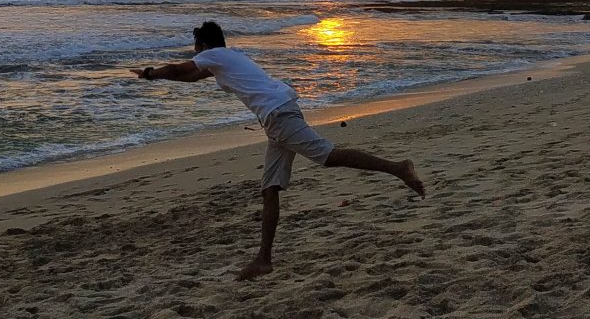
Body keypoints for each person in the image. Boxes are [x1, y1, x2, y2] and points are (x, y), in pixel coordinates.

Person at [134, 20, 424, 280]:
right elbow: (190, 77)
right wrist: (159, 76)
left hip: (278, 116)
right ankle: (264, 260)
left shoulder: (213, 56)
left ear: (203, 45)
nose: (195, 55)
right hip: (277, 116)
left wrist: (150, 74)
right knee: (270, 188)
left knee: (329, 156)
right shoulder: (228, 57)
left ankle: (398, 168)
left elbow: (179, 69)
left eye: (196, 49)